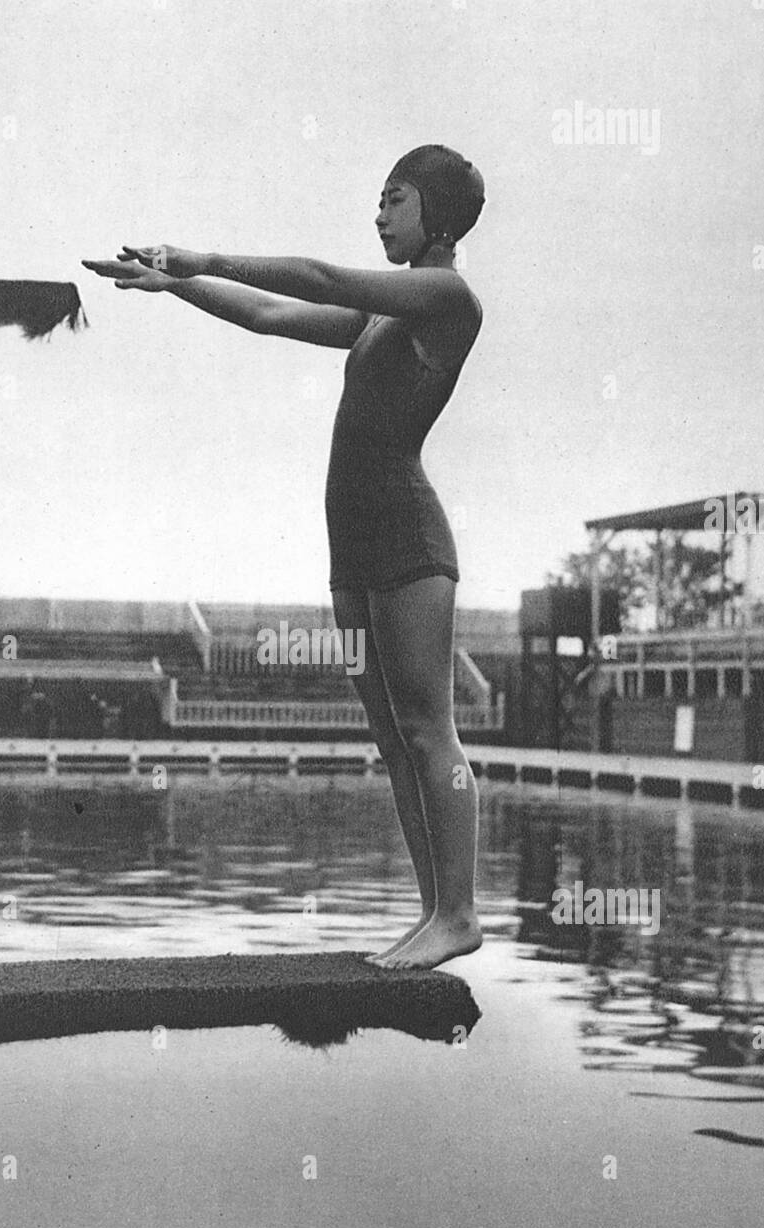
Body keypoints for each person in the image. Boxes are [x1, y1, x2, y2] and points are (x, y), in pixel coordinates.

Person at [83, 145, 485, 970]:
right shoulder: (383, 317)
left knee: (426, 727)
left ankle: (462, 912)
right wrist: (178, 284)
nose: (378, 213)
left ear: (436, 214)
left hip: (409, 541)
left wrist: (207, 254)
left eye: (394, 198)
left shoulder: (447, 298)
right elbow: (267, 315)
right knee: (390, 735)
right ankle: (432, 914)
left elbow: (323, 277)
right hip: (356, 544)